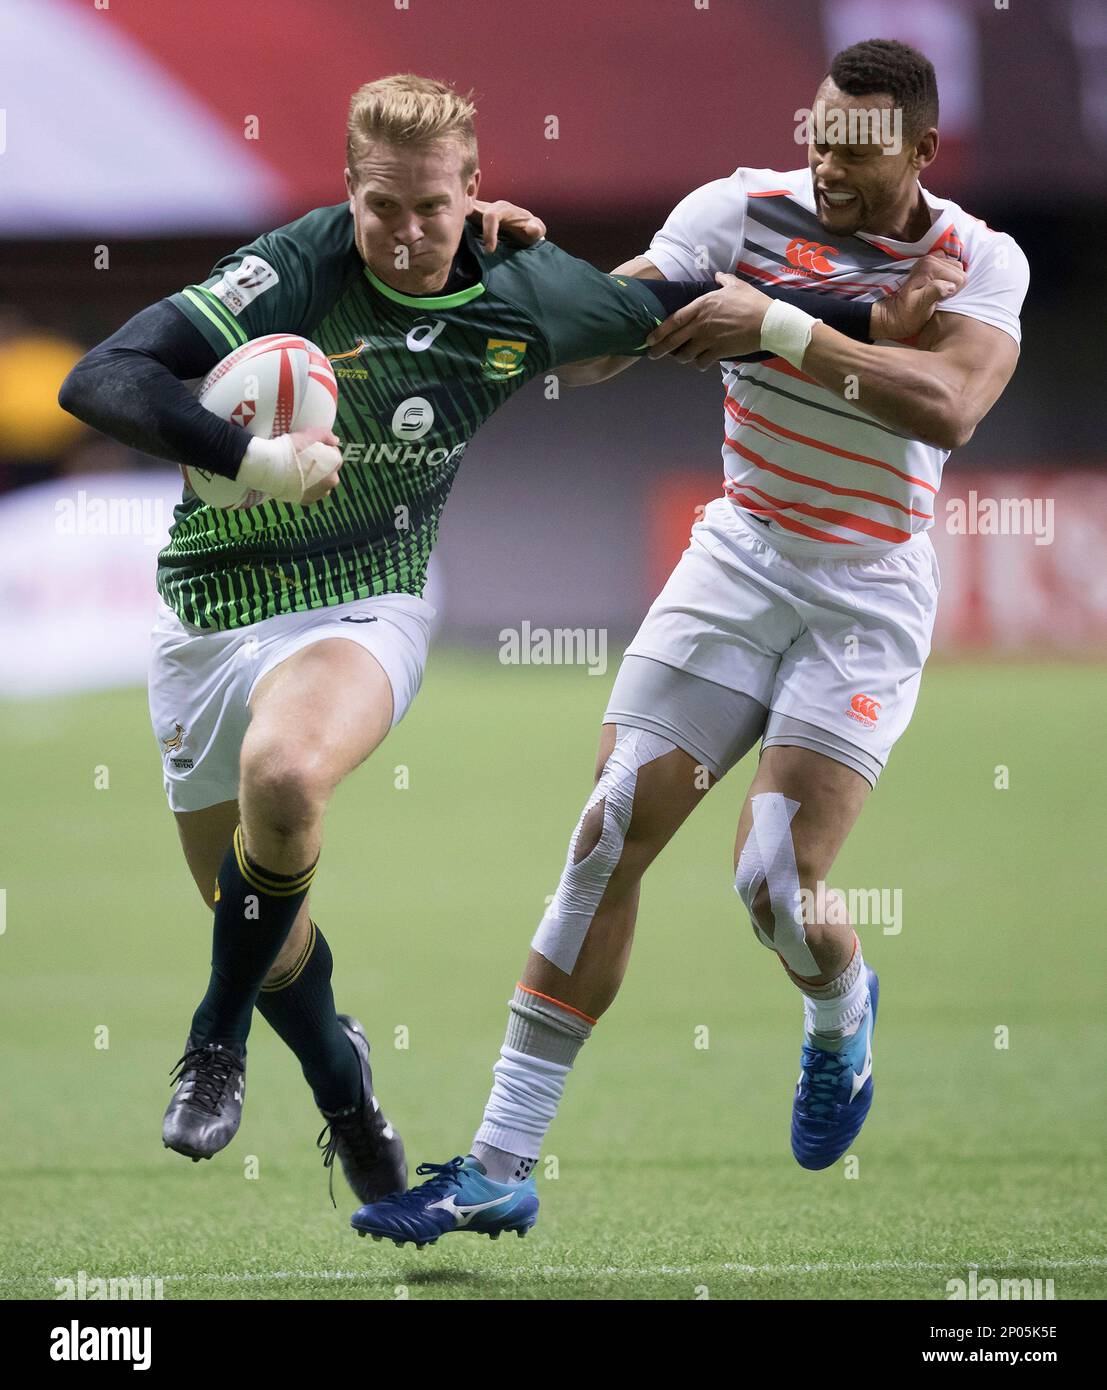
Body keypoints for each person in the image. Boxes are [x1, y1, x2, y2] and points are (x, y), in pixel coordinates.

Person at [57, 72, 884, 1209]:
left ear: (475, 193)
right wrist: (250, 459)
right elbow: (99, 377)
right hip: (207, 612)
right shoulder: (294, 267)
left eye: (432, 209)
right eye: (382, 206)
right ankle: (346, 1090)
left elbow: (693, 305)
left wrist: (879, 313)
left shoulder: (524, 293)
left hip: (369, 602)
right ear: (349, 192)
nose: (405, 235)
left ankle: (213, 1043)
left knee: (287, 777)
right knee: (254, 918)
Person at [350, 38, 1029, 1248]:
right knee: (609, 826)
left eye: (860, 155)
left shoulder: (978, 258)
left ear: (924, 153)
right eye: (819, 137)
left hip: (868, 588)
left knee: (773, 880)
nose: (828, 168)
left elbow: (953, 403)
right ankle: (500, 1161)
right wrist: (527, 270)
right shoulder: (733, 210)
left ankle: (840, 1011)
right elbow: (610, 341)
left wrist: (779, 327)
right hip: (740, 557)